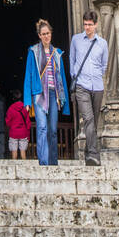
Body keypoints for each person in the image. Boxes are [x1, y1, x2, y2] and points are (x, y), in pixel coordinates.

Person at [23, 19, 69, 167]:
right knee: (42, 128)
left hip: (53, 95)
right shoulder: (33, 52)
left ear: (51, 34)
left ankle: (53, 162)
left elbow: (61, 77)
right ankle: (43, 163)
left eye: (48, 33)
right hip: (39, 95)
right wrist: (27, 101)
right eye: (43, 34)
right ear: (39, 35)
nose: (46, 36)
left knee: (53, 130)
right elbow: (28, 76)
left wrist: (65, 100)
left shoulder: (57, 53)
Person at [69, 10, 109, 167]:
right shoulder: (76, 40)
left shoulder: (103, 43)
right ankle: (93, 155)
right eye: (85, 24)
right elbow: (72, 59)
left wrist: (98, 75)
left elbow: (104, 64)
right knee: (88, 119)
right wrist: (75, 75)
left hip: (97, 86)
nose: (87, 27)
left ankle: (88, 153)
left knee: (93, 122)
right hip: (82, 86)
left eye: (90, 25)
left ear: (96, 25)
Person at [5, 89, 30, 161]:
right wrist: (28, 134)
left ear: (13, 98)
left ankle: (14, 169)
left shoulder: (10, 108)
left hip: (13, 132)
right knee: (23, 153)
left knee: (14, 153)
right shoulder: (25, 108)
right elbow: (28, 122)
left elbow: (7, 122)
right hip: (23, 133)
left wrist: (12, 125)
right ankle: (24, 169)